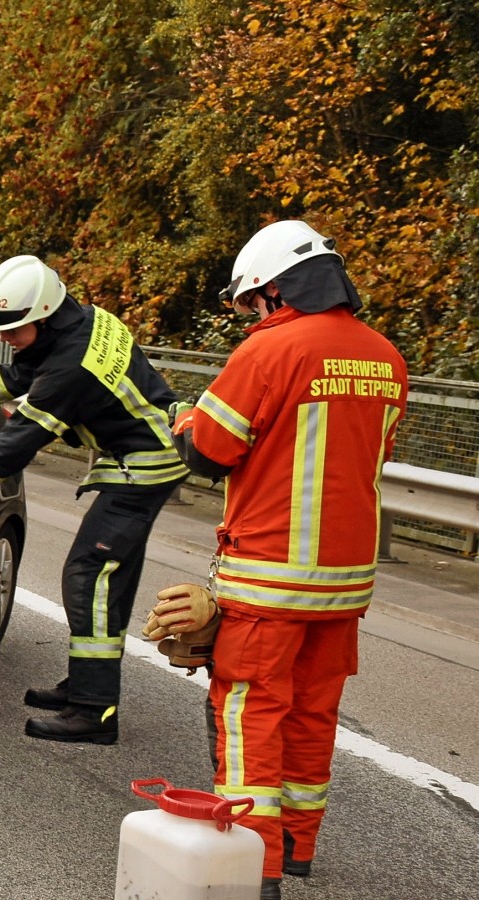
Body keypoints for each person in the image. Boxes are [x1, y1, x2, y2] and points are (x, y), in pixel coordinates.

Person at [171, 220, 407, 900]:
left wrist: (184, 418)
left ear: (275, 291)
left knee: (251, 717)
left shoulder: (269, 352)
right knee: (312, 715)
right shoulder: (386, 358)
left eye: (251, 304)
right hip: (345, 585)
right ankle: (298, 848)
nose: (250, 317)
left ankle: (256, 867)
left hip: (268, 580)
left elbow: (210, 451)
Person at [0, 255, 188, 744]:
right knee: (106, 580)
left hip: (142, 470)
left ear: (42, 316)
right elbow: (20, 376)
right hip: (147, 457)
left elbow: (11, 448)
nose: (3, 339)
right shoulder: (80, 324)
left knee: (88, 579)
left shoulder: (73, 367)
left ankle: (94, 711)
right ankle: (87, 684)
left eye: (12, 330)